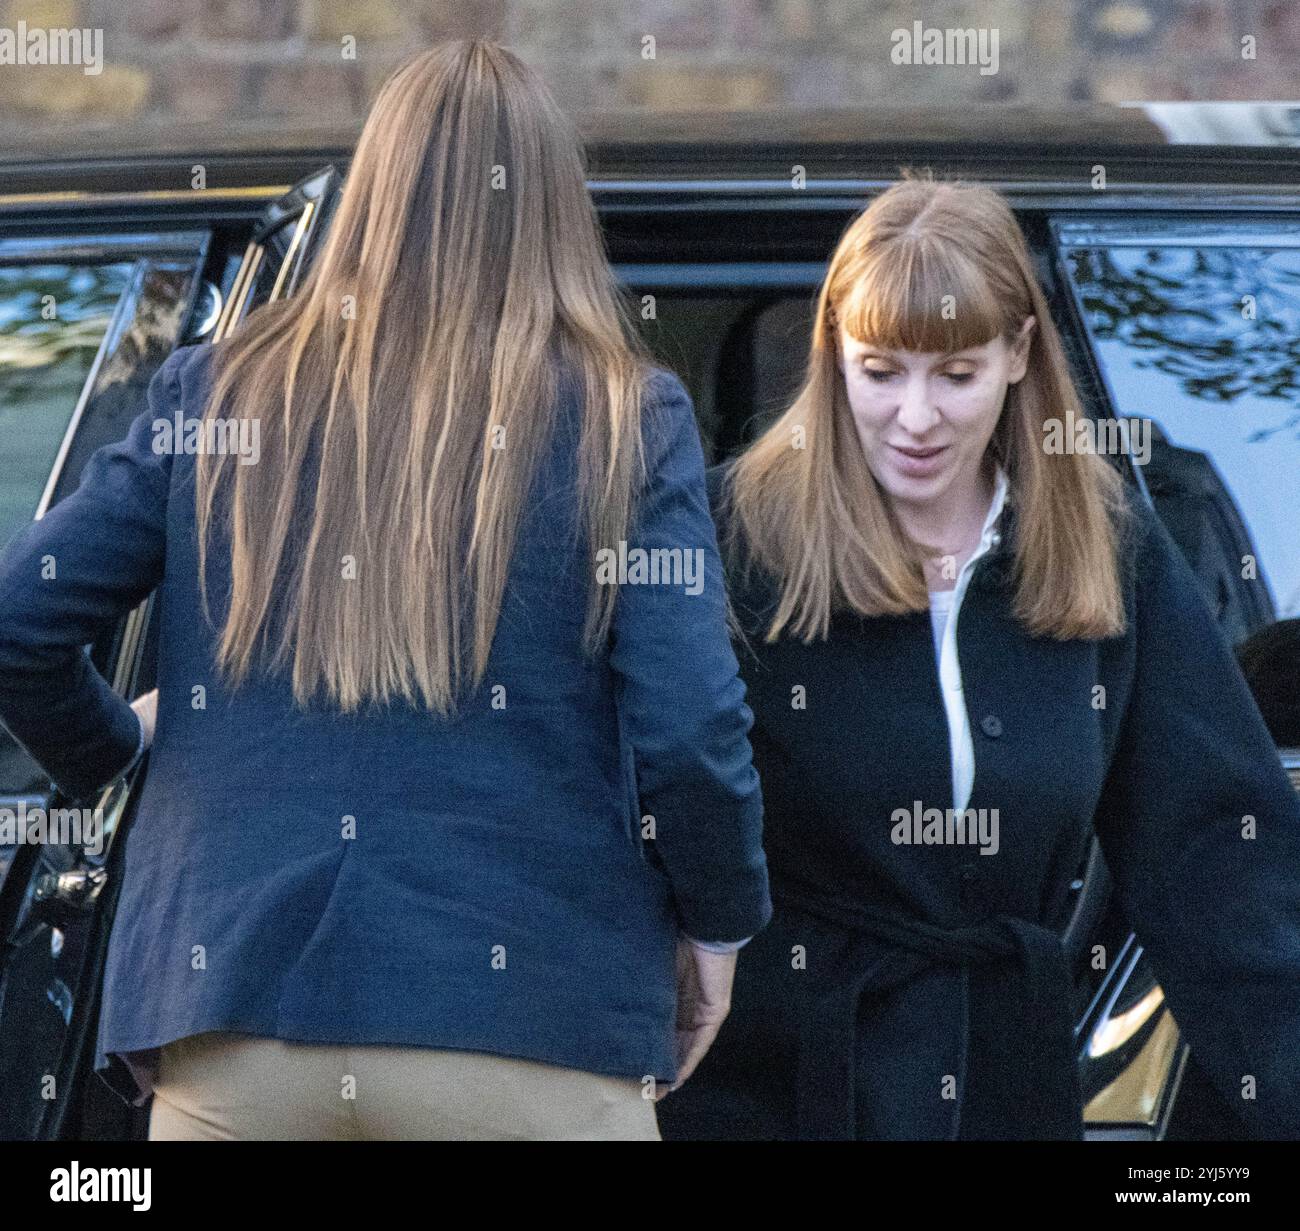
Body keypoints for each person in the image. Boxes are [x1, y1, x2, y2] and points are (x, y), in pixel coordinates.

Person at [0, 40, 770, 1141]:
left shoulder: (216, 390)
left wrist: (119, 751)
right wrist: (719, 926)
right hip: (527, 1029)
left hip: (237, 1026)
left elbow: (20, 621)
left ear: (374, 192)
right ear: (553, 206)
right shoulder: (620, 417)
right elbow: (693, 728)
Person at [655, 174, 1300, 1141]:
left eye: (954, 375)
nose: (916, 418)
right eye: (881, 371)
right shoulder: (731, 538)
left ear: (1017, 355)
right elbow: (634, 810)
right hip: (773, 1090)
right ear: (832, 355)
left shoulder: (1108, 554)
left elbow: (1218, 864)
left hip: (1003, 1081)